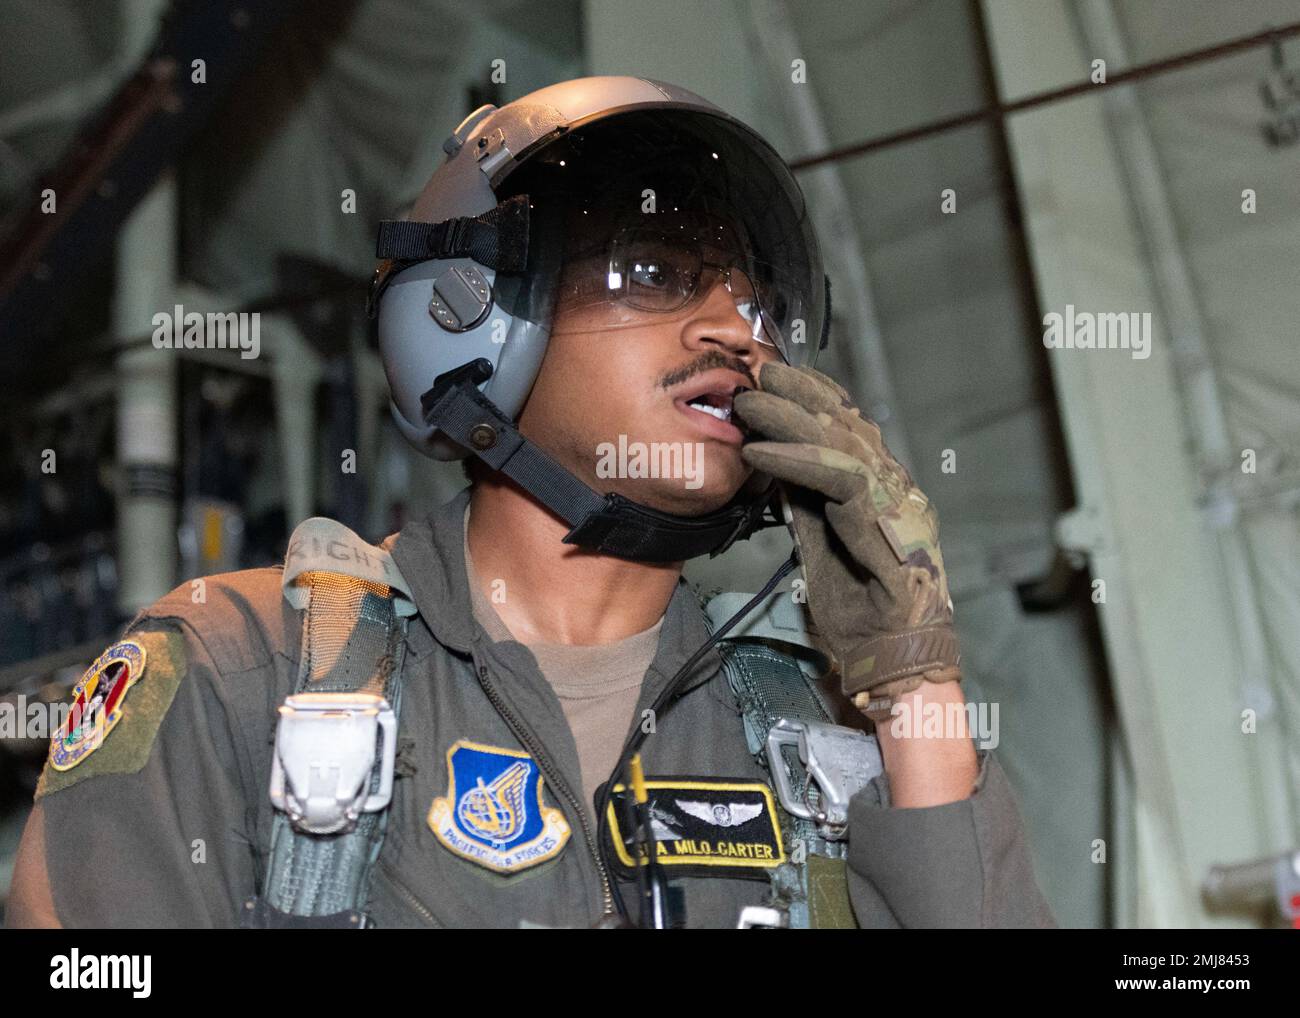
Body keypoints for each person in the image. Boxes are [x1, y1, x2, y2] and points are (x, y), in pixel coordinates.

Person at [7, 76, 1054, 929]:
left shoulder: (818, 732)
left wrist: (914, 689)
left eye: (754, 303)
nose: (732, 331)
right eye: (656, 271)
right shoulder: (239, 674)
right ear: (470, 312)